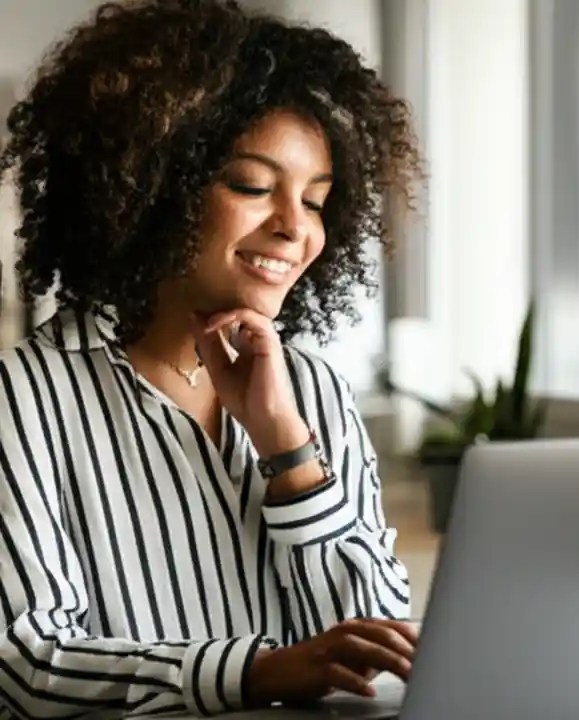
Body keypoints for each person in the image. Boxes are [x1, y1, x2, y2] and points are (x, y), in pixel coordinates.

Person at [0, 1, 425, 716]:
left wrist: (288, 450)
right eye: (254, 187)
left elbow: (381, 650)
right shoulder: (23, 399)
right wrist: (253, 673)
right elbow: (27, 664)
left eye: (317, 201)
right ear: (153, 188)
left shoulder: (313, 393)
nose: (295, 228)